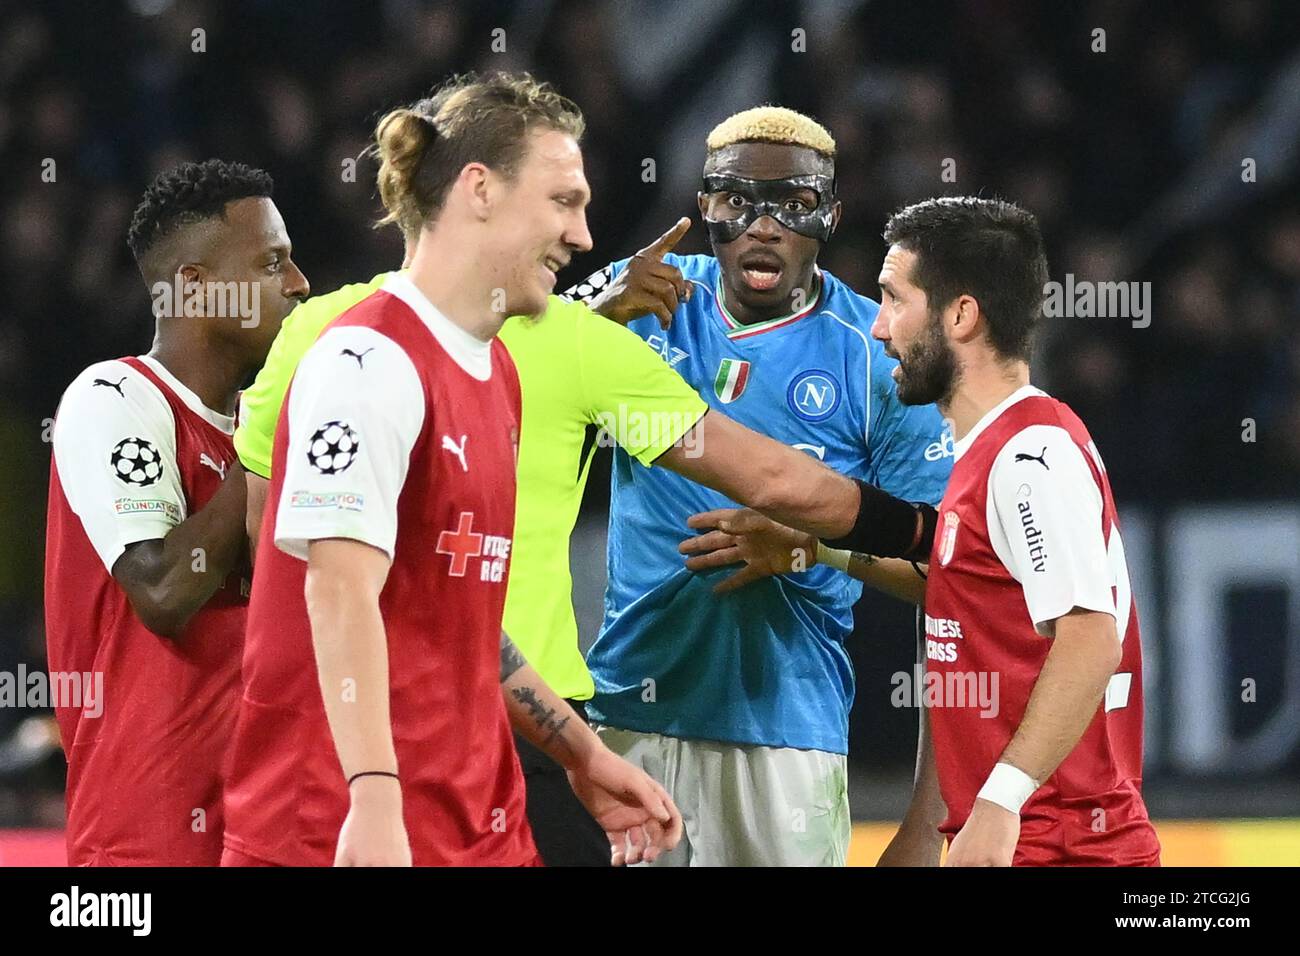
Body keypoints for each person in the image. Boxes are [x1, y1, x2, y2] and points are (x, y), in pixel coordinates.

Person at [220, 72, 692, 867]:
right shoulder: (364, 362)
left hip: (474, 819)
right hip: (341, 827)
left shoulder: (495, 371)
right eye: (563, 201)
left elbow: (465, 625)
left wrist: (584, 757)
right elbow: (336, 594)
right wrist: (372, 797)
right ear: (479, 189)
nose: (583, 236)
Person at [683, 196, 1162, 866]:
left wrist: (1000, 802)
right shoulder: (997, 451)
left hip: (1060, 844)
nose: (879, 329)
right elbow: (967, 586)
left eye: (894, 300)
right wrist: (815, 550)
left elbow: (1089, 641)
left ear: (960, 315)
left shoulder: (1029, 459)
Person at [565, 107, 953, 866]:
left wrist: (816, 548)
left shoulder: (877, 356)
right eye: (737, 199)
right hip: (624, 716)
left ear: (830, 217)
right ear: (705, 204)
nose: (764, 224)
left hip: (785, 738)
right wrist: (591, 313)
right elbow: (491, 371)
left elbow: (950, 574)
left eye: (794, 204)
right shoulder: (643, 298)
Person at [44, 159, 309, 864]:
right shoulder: (114, 397)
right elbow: (162, 590)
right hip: (145, 838)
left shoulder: (272, 434)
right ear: (194, 287)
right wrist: (261, 443)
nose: (299, 285)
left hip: (268, 827)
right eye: (272, 263)